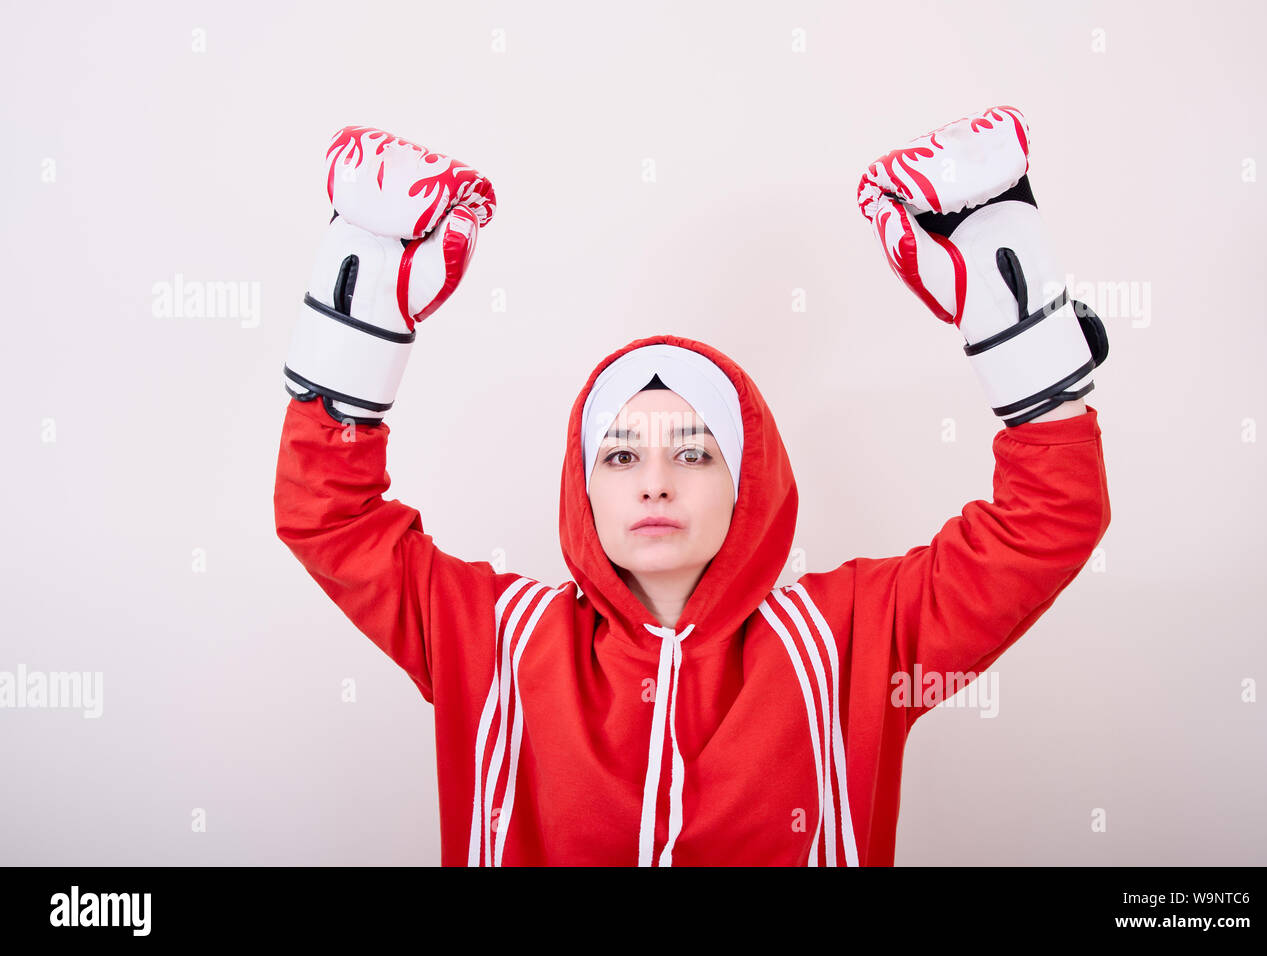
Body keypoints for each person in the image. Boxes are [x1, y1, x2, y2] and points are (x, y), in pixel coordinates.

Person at [274, 109, 1112, 866]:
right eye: (621, 457)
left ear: (748, 484)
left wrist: (1026, 348)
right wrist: (356, 344)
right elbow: (329, 520)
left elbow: (1047, 528)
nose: (656, 484)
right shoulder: (493, 641)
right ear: (585, 487)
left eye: (696, 453)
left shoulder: (856, 639)